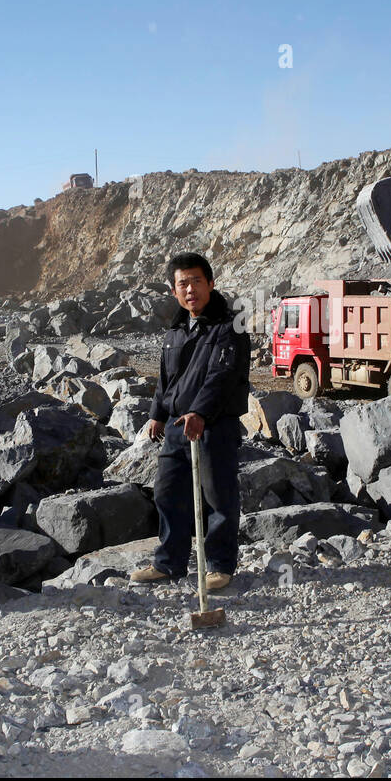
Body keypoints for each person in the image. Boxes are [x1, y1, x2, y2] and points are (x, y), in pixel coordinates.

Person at [132, 252, 251, 592]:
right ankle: (168, 563)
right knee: (168, 493)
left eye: (197, 281)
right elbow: (166, 378)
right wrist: (157, 414)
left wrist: (200, 412)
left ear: (211, 284)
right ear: (174, 291)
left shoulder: (230, 326)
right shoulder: (175, 330)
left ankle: (219, 566)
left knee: (218, 498)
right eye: (182, 283)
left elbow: (223, 376)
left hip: (213, 425)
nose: (190, 289)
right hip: (176, 427)